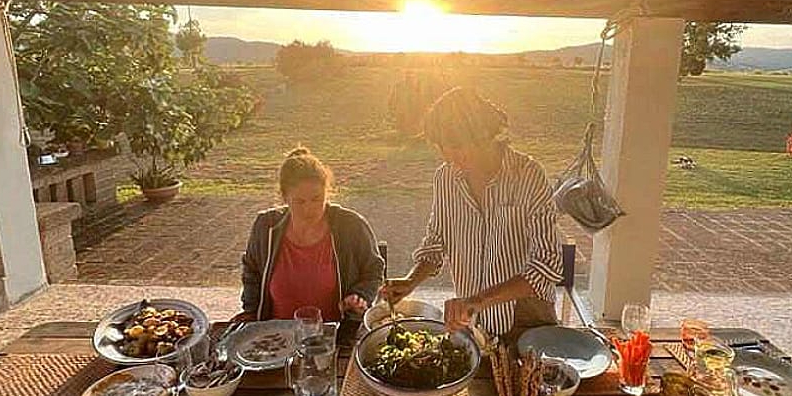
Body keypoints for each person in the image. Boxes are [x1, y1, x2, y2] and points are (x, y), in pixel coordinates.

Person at [383, 88, 563, 337]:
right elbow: (436, 242)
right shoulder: (445, 178)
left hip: (525, 317)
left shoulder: (528, 176)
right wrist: (410, 281)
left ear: (485, 134)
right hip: (472, 319)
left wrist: (478, 300)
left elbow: (548, 264)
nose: (450, 157)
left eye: (458, 147)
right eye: (443, 147)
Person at [240, 147, 384, 322]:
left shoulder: (350, 225)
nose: (309, 209)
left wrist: (361, 295)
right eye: (299, 202)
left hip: (337, 332)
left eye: (316, 199)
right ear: (285, 198)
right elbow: (251, 271)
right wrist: (251, 311)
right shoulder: (266, 226)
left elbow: (374, 270)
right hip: (276, 333)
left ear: (327, 192)